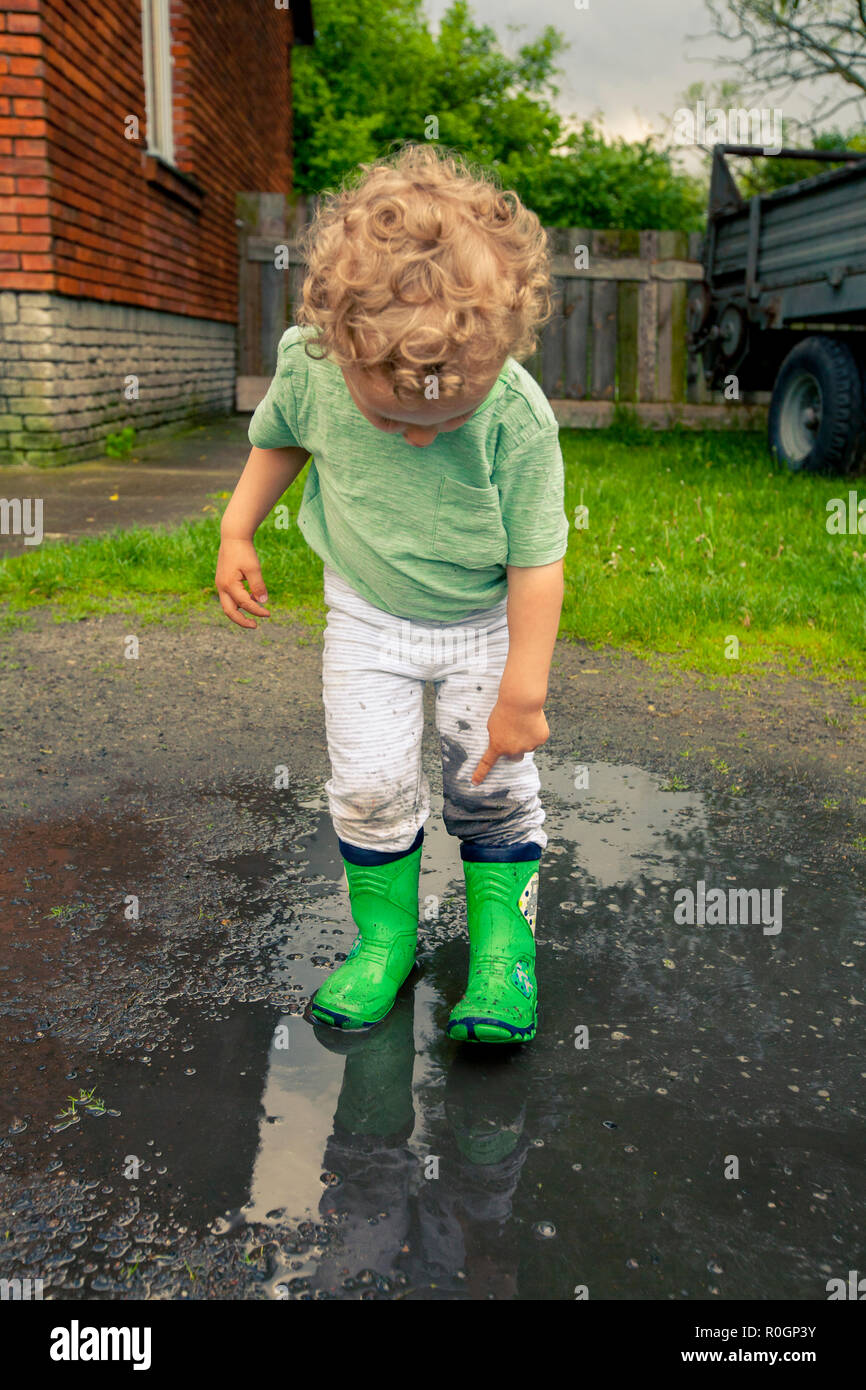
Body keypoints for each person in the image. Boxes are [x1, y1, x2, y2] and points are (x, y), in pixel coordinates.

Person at [215, 143, 568, 1043]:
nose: (421, 440)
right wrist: (237, 529)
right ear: (341, 346)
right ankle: (385, 943)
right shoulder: (312, 368)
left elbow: (537, 559)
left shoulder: (517, 416)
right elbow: (282, 439)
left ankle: (501, 947)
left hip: (483, 627)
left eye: (447, 420)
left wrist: (525, 687)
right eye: (391, 419)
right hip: (367, 616)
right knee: (367, 782)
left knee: (493, 787)